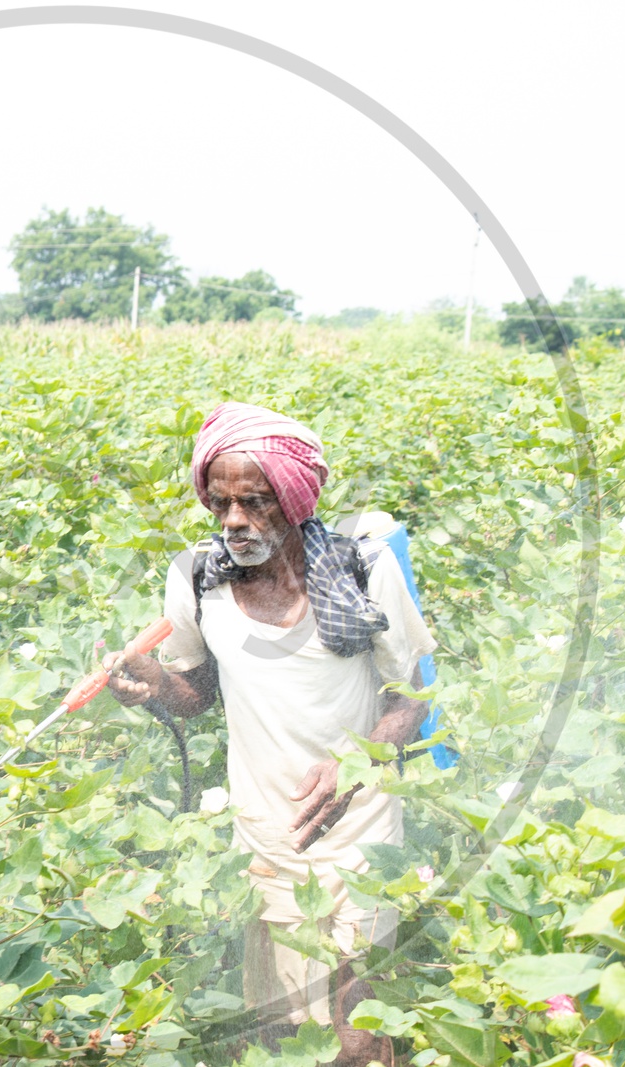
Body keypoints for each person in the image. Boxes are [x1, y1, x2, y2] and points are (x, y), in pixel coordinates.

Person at [103, 401, 436, 1066]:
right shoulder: (196, 579)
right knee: (282, 1028)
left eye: (254, 502)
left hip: (361, 834)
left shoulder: (363, 573)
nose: (234, 521)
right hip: (266, 837)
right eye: (221, 503)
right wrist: (151, 685)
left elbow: (413, 699)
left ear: (294, 500)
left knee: (355, 1033)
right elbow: (196, 692)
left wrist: (358, 762)